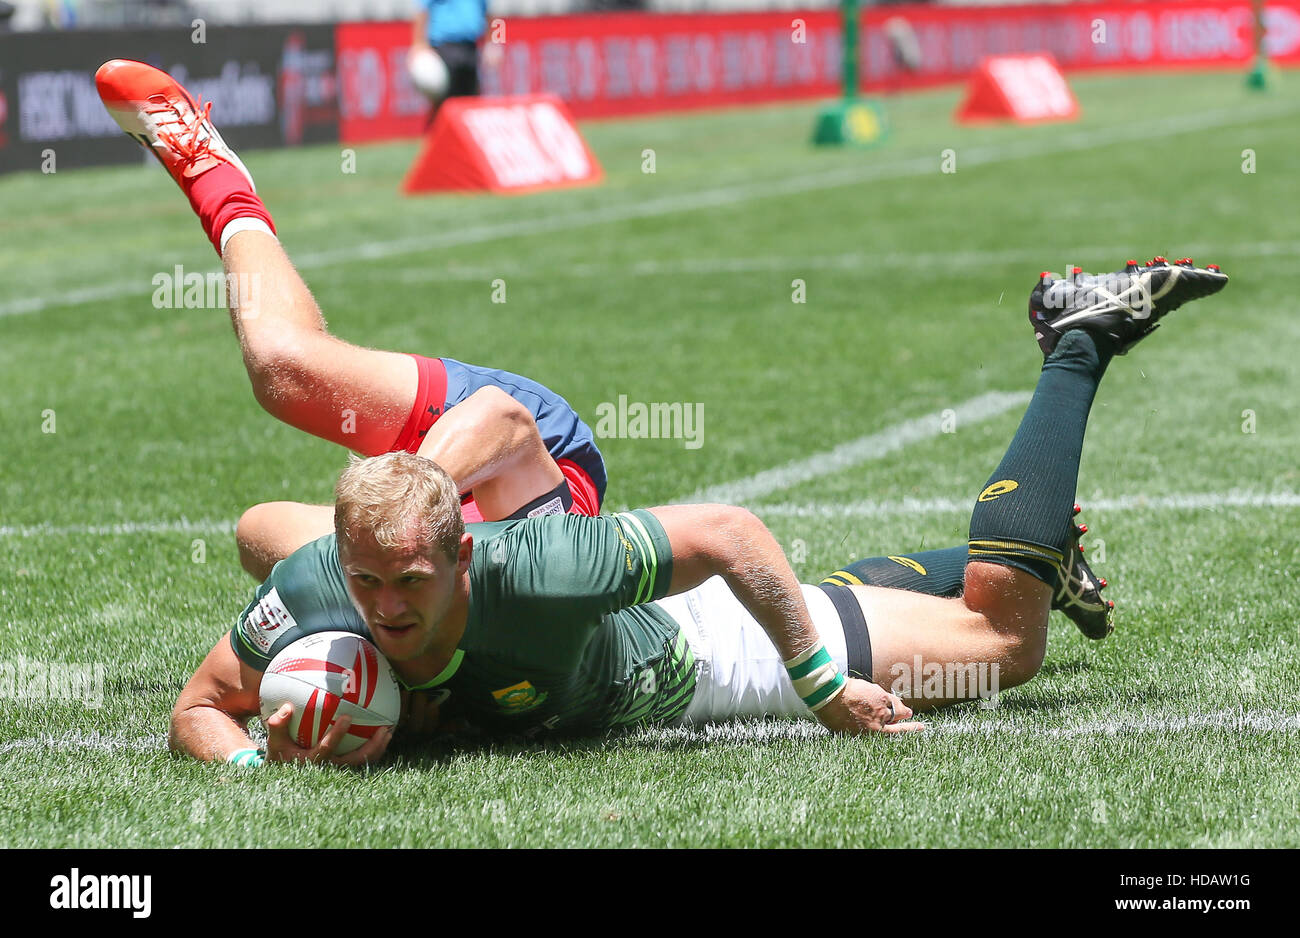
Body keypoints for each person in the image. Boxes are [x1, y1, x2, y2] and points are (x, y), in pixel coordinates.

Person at [164, 249, 1226, 766]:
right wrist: (260, 757)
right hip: (535, 582)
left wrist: (817, 682)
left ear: (466, 557)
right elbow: (198, 709)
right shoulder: (324, 595)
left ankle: (1075, 338)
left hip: (711, 662)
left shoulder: (544, 568)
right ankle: (1026, 540)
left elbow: (726, 534)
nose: (385, 609)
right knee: (269, 529)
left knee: (1004, 638)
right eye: (368, 584)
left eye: (409, 581)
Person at [95, 59, 606, 583]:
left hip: (421, 532)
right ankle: (220, 183)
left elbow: (259, 527)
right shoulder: (537, 589)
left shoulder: (389, 604)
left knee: (263, 542)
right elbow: (504, 422)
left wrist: (370, 552)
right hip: (531, 456)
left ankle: (394, 541)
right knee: (282, 369)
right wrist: (403, 511)